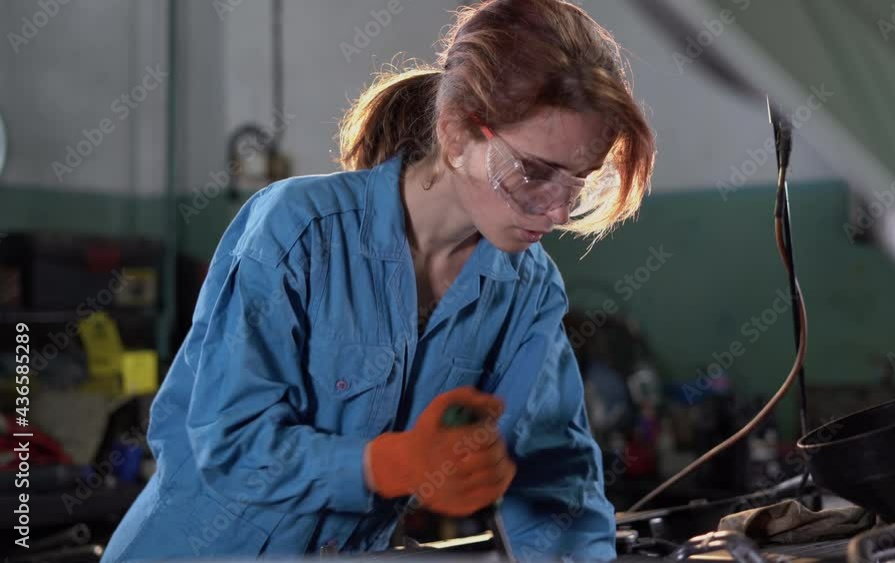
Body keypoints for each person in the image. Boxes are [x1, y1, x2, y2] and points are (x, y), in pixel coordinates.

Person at [102, 0, 654, 560]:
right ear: (457, 132)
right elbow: (227, 446)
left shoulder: (526, 290)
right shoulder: (299, 231)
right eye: (535, 172)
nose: (557, 210)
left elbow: (555, 480)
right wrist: (390, 463)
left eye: (577, 182)